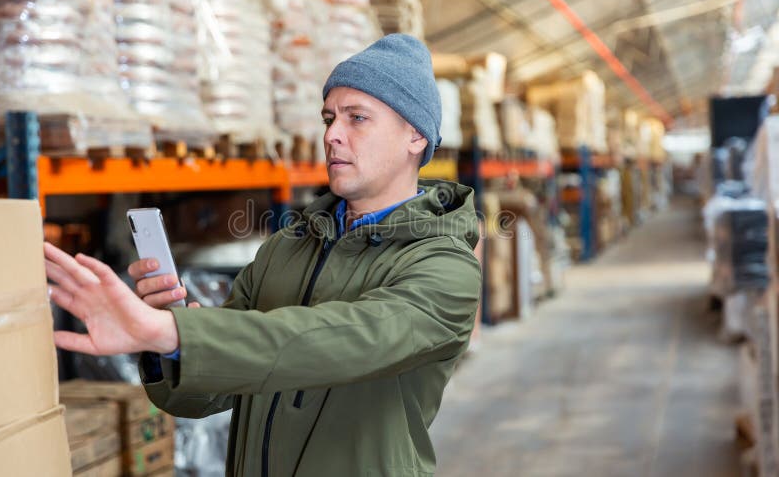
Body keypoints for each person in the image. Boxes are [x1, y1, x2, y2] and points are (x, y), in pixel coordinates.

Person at [45, 34, 482, 476]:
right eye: (329, 118)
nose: (332, 135)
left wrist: (178, 333)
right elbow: (204, 394)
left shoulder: (445, 267)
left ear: (415, 136)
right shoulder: (287, 247)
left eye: (357, 118)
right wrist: (166, 345)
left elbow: (337, 342)